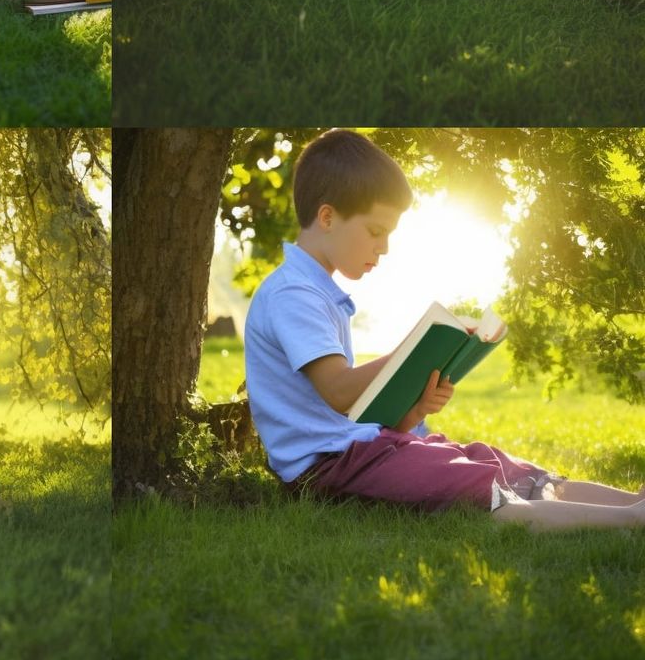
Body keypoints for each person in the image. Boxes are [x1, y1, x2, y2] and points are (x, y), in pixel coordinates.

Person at [245, 130, 645, 530]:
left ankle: (634, 502)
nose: (383, 247)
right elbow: (337, 392)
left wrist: (414, 408)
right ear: (328, 217)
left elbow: (348, 412)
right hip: (331, 469)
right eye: (375, 231)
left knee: (494, 461)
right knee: (483, 485)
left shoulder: (316, 290)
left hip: (361, 451)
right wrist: (412, 349)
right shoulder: (292, 294)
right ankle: (631, 520)